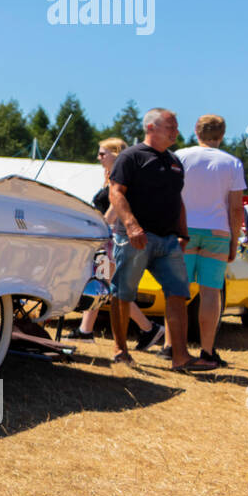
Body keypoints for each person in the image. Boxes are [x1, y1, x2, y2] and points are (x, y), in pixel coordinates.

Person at [107, 108, 215, 370]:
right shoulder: (131, 157)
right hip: (136, 238)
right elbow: (116, 193)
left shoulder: (175, 162)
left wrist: (184, 233)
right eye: (171, 126)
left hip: (169, 241)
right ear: (151, 128)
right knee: (123, 293)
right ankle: (120, 351)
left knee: (178, 294)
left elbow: (178, 200)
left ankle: (180, 357)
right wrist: (132, 226)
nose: (177, 131)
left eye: (177, 127)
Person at [67, 137, 164, 349]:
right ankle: (85, 330)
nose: (98, 158)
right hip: (107, 236)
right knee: (103, 283)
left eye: (103, 154)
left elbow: (114, 206)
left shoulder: (123, 177)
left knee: (110, 285)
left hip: (109, 237)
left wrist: (99, 226)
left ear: (116, 154)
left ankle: (149, 328)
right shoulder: (112, 176)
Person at [175, 114, 245, 367]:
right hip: (217, 232)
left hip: (184, 229)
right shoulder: (232, 163)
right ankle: (207, 351)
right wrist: (234, 241)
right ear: (222, 135)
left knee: (177, 292)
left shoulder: (180, 156)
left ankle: (171, 346)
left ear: (196, 131)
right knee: (210, 293)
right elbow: (236, 209)